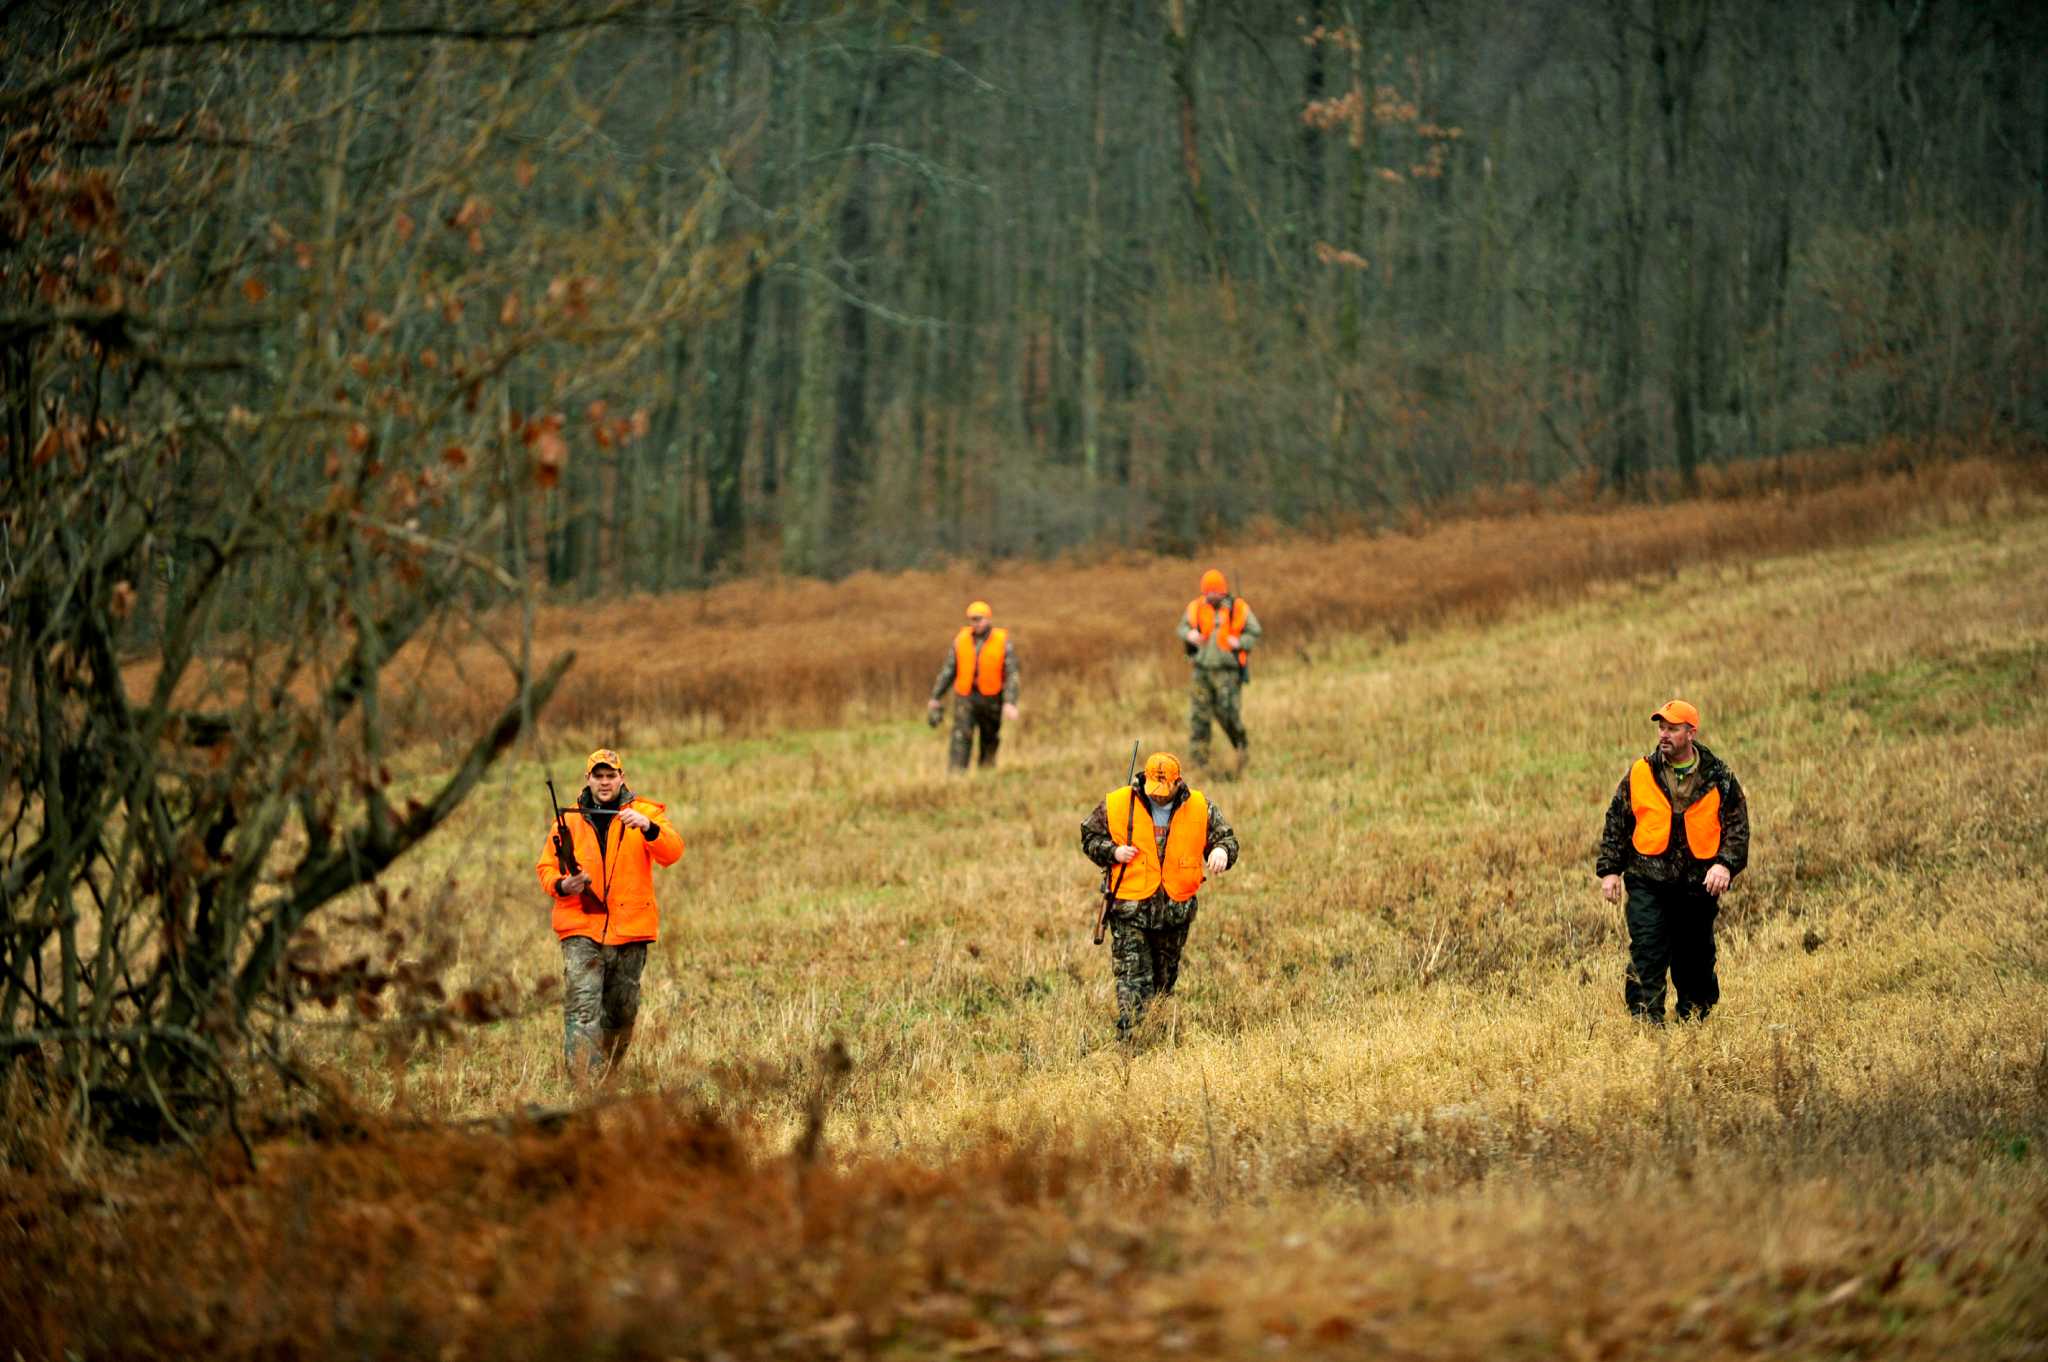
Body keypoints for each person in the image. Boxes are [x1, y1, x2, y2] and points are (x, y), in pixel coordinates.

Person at [535, 748, 684, 1084]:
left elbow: (673, 852)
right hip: (580, 927)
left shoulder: (644, 813)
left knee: (621, 1013)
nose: (604, 782)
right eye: (597, 776)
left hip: (630, 930)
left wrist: (647, 828)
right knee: (583, 1007)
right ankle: (586, 1086)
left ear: (622, 778)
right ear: (588, 779)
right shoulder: (568, 820)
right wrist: (564, 884)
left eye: (610, 775)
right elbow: (545, 868)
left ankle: (608, 1076)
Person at [1596, 700, 1750, 1024]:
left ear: (1691, 733)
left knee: (1694, 958)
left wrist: (1724, 864)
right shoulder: (1641, 772)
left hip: (1698, 884)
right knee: (1647, 951)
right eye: (1661, 728)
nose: (1664, 735)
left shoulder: (1719, 776)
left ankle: (1694, 1021)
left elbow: (1737, 826)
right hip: (1647, 879)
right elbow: (1617, 820)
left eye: (1672, 728)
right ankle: (1646, 1024)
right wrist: (1610, 871)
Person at [1080, 752, 1238, 1038]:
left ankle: (1157, 1039)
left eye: (1166, 792)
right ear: (1144, 779)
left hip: (1175, 911)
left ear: (1178, 782)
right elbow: (1089, 837)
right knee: (1132, 980)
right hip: (1130, 910)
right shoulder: (1118, 803)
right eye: (1155, 791)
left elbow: (1226, 839)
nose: (1160, 797)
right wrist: (1112, 852)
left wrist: (1220, 852)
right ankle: (1131, 1043)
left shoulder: (1200, 807)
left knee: (1164, 984)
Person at [1179, 568, 1261, 776]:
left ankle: (1240, 747)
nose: (1211, 595)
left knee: (1228, 714)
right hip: (1201, 670)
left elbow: (1255, 631)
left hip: (1228, 672)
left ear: (1223, 590)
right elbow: (1181, 628)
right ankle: (1199, 761)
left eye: (1215, 591)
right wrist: (1190, 634)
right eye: (1208, 591)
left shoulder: (1238, 608)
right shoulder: (1195, 608)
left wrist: (1239, 642)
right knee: (1199, 716)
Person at [928, 599, 1020, 771]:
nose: (975, 623)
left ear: (988, 619)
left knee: (990, 738)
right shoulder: (961, 640)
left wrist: (1010, 702)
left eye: (979, 619)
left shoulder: (1002, 641)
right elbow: (948, 670)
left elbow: (1011, 674)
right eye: (972, 619)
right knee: (960, 737)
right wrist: (936, 697)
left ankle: (985, 775)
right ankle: (956, 777)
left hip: (992, 698)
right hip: (966, 697)